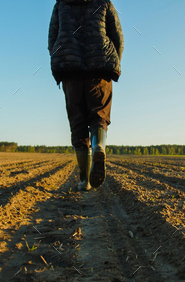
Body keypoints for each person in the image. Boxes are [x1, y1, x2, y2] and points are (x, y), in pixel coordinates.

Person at [48, 0, 124, 191]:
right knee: (99, 115)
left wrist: (61, 60)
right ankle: (99, 147)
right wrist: (113, 60)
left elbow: (52, 39)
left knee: (77, 122)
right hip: (99, 69)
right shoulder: (104, 2)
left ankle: (84, 181)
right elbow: (117, 36)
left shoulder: (61, 4)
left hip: (70, 70)